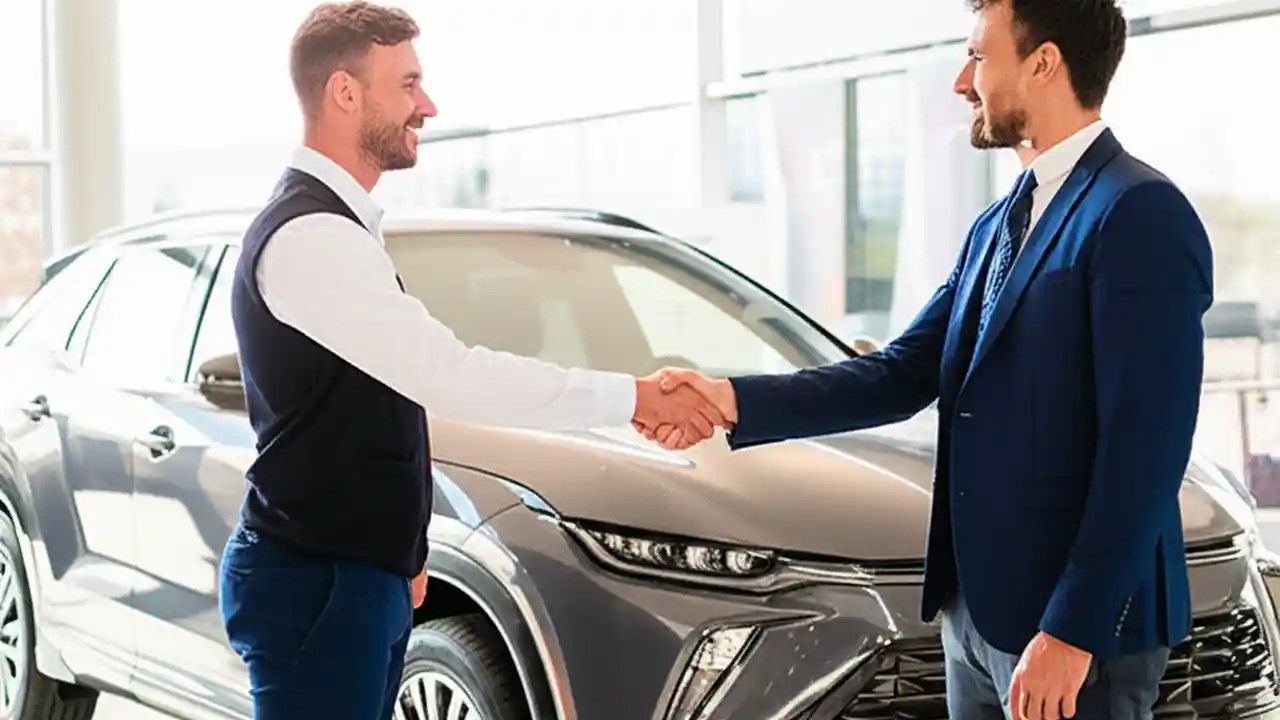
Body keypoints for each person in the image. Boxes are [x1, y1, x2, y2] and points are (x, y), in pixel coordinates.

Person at [651, 1, 1214, 718]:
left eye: (979, 56)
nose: (961, 80)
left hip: (1073, 630)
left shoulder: (1138, 213)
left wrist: (1072, 631)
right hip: (974, 616)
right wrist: (728, 398)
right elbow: (902, 372)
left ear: (1043, 63)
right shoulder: (998, 222)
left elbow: (1146, 450)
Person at [217, 3, 722, 718]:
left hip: (353, 574)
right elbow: (447, 374)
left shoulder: (336, 228)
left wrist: (404, 545)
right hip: (321, 580)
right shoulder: (311, 238)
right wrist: (634, 398)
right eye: (409, 84)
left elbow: (372, 405)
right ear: (345, 94)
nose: (428, 105)